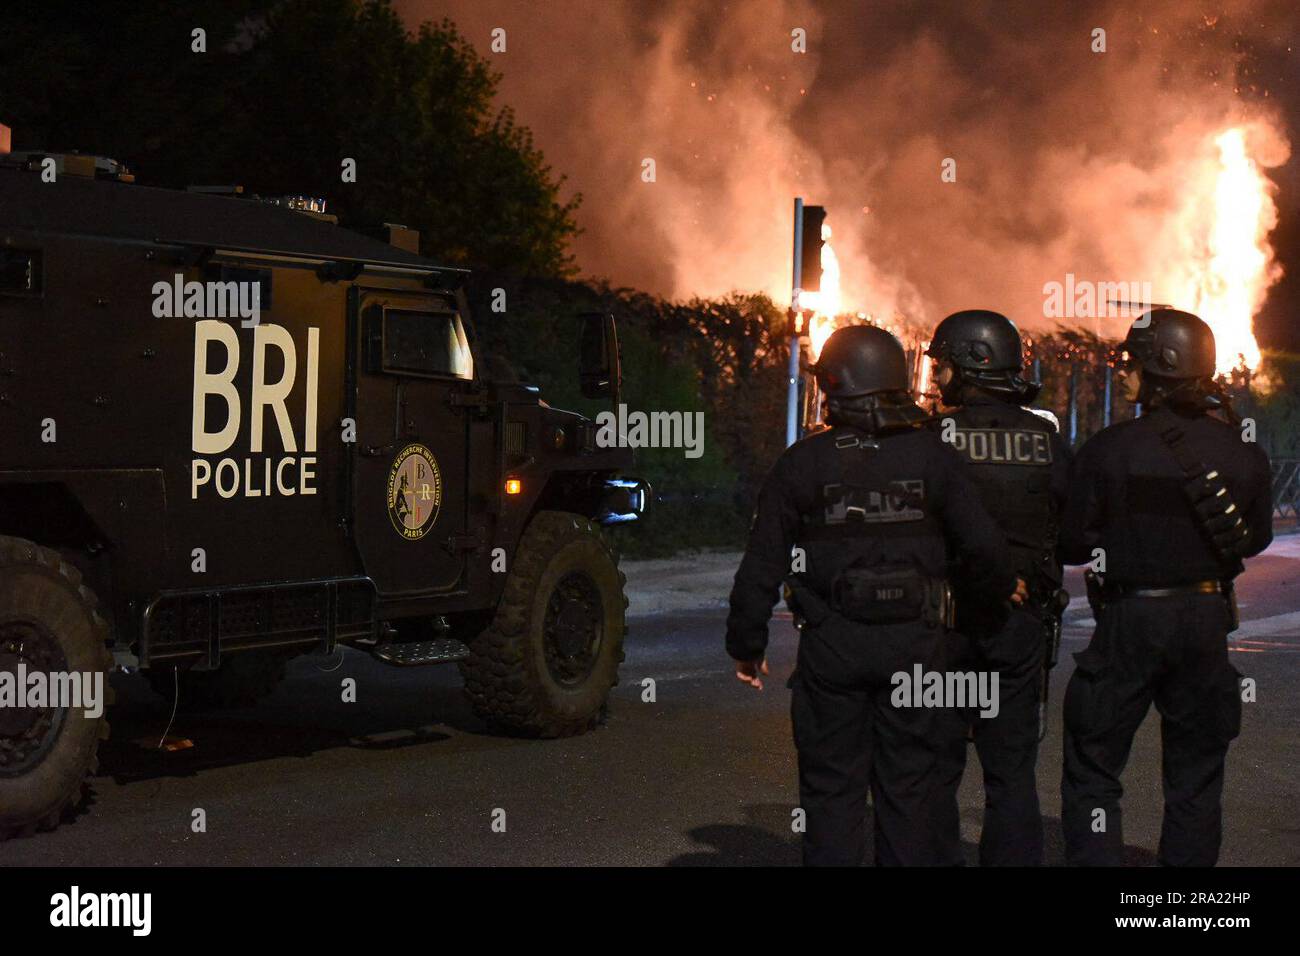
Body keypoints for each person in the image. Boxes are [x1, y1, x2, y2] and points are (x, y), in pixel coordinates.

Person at [726, 324, 1025, 866]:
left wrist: (746, 644)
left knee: (831, 797)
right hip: (917, 651)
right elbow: (987, 554)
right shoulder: (935, 458)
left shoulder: (803, 463)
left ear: (836, 387)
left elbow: (761, 563)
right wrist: (985, 606)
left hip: (832, 651)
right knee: (909, 795)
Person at [1057, 309, 1273, 866]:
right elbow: (1253, 541)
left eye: (1133, 363)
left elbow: (1075, 544)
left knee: (1095, 767)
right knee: (1196, 778)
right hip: (1205, 620)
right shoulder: (1242, 453)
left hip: (1130, 621)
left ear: (1162, 365)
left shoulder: (1110, 448)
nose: (1126, 374)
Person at [924, 309, 1072, 866]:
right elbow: (1077, 535)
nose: (936, 378)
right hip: (1018, 628)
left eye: (942, 366)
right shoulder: (1047, 440)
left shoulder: (929, 439)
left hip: (943, 626)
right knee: (1011, 774)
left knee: (935, 768)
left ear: (972, 365)